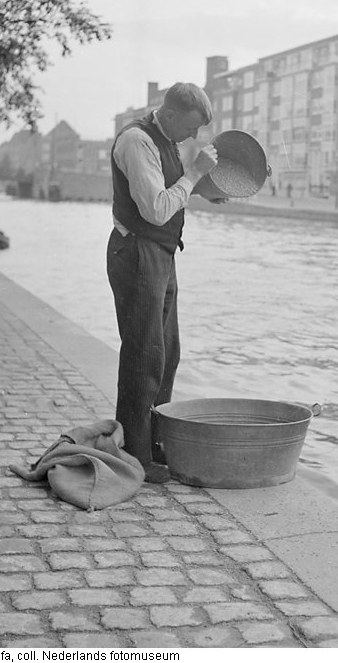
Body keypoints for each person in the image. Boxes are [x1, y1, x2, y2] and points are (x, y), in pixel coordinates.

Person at [106, 83, 218, 483]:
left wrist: (203, 187)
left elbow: (172, 188)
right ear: (168, 114)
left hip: (160, 254)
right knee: (144, 353)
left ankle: (152, 441)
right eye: (189, 129)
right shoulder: (137, 141)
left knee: (167, 352)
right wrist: (194, 175)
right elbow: (155, 209)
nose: (191, 137)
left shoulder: (165, 138)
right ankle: (135, 455)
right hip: (137, 252)